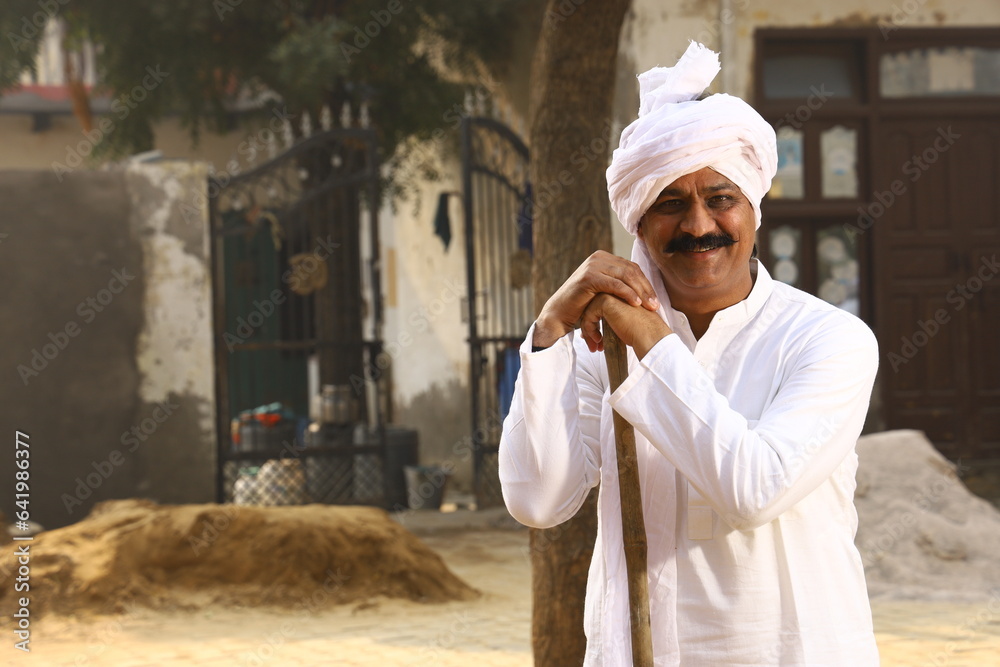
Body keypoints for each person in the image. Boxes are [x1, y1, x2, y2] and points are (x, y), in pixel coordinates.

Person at [499, 42, 880, 666]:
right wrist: (547, 337)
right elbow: (537, 501)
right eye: (671, 203)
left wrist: (653, 343)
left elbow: (755, 489)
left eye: (720, 198)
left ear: (753, 211)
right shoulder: (603, 349)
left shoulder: (826, 339)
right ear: (640, 224)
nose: (699, 225)